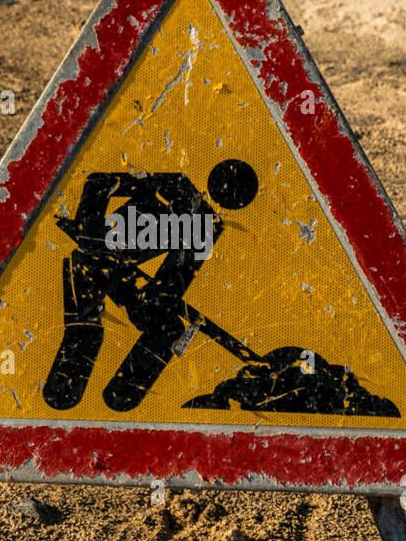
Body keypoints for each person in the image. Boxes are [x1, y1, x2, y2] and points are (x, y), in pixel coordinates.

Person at [43, 159, 257, 412]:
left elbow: (178, 275)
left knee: (168, 328)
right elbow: (98, 181)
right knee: (86, 324)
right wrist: (89, 227)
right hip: (93, 261)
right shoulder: (171, 185)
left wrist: (160, 294)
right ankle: (72, 367)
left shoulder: (208, 224)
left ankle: (123, 395)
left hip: (125, 275)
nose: (223, 199)